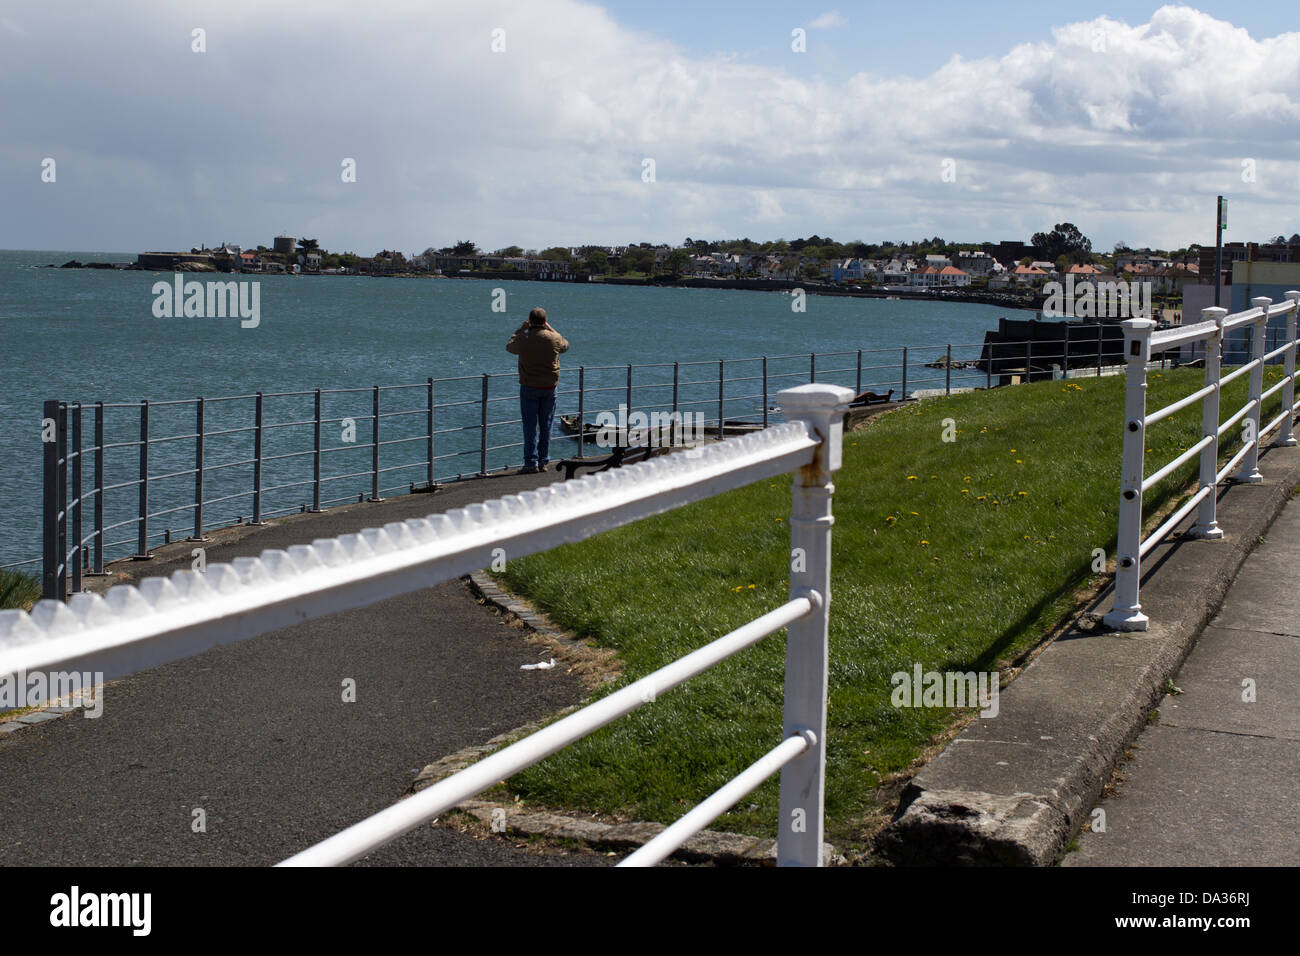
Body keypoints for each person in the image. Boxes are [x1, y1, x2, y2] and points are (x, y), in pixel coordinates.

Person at [506, 307, 569, 474]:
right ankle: (543, 461)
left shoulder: (524, 338)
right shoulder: (554, 338)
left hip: (529, 387)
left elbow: (509, 347)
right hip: (549, 388)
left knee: (529, 426)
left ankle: (530, 463)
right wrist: (550, 328)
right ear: (544, 321)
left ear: (530, 321)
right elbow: (565, 345)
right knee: (546, 425)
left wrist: (520, 329)